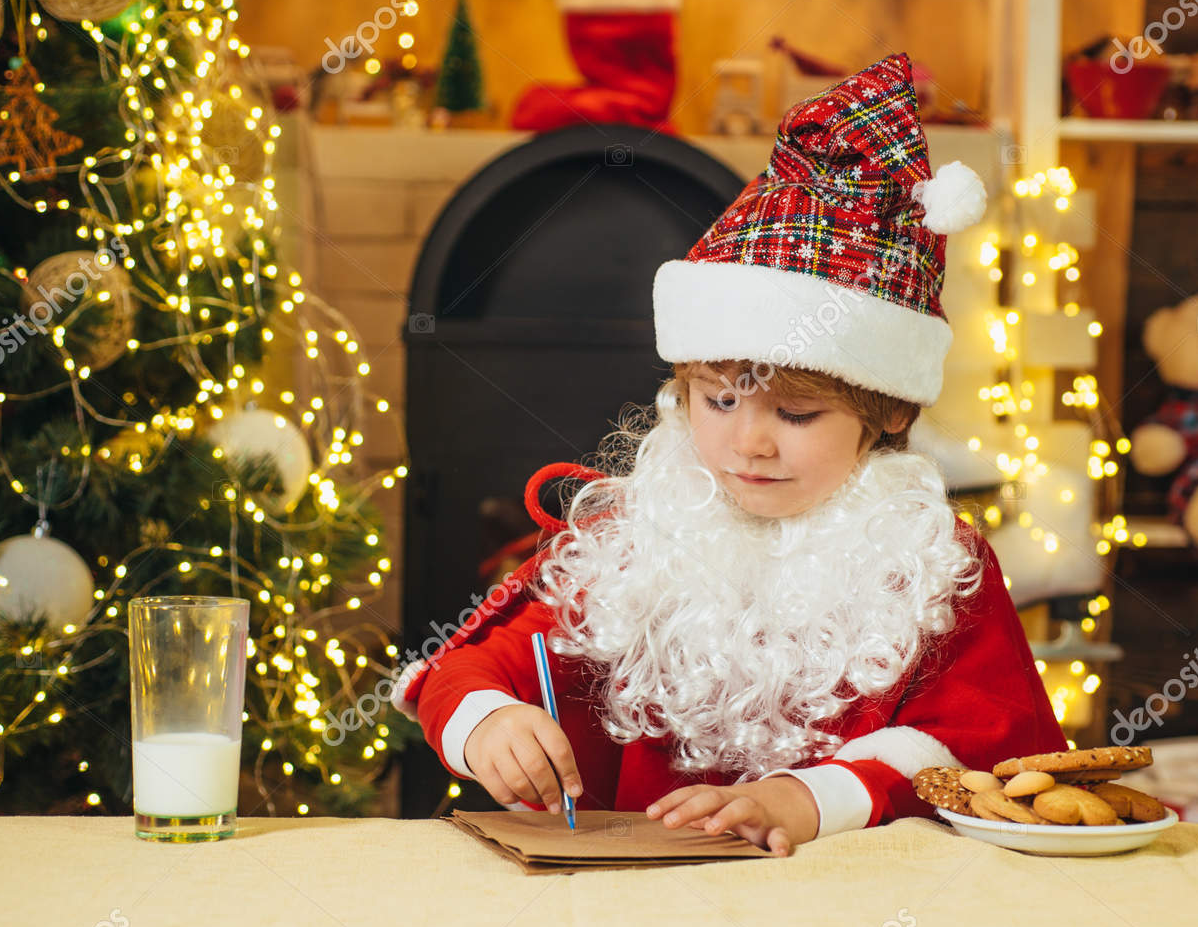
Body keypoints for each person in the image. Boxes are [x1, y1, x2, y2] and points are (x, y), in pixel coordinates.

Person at [394, 52, 1067, 856]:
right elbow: (472, 666)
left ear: (886, 409)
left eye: (796, 411)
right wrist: (487, 721)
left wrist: (808, 800)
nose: (748, 441)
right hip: (636, 912)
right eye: (718, 400)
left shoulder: (933, 567)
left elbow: (988, 744)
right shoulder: (641, 540)